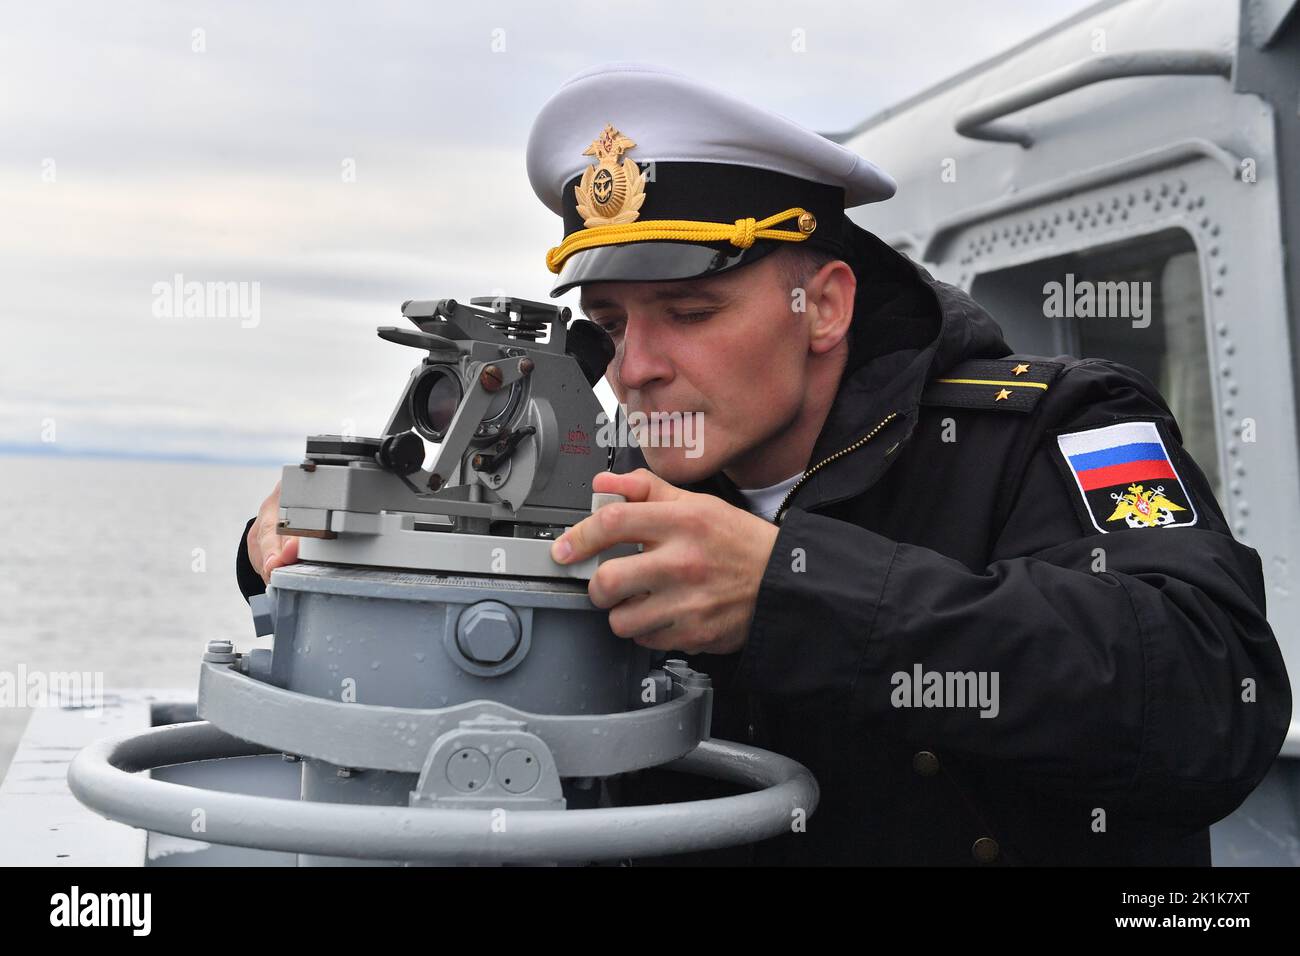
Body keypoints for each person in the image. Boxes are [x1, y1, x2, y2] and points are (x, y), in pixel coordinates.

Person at [238, 63, 1291, 865]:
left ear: (822, 304)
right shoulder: (621, 473)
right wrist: (292, 545)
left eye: (689, 311)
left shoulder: (1056, 428)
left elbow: (1214, 692)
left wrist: (791, 587)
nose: (636, 370)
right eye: (607, 322)